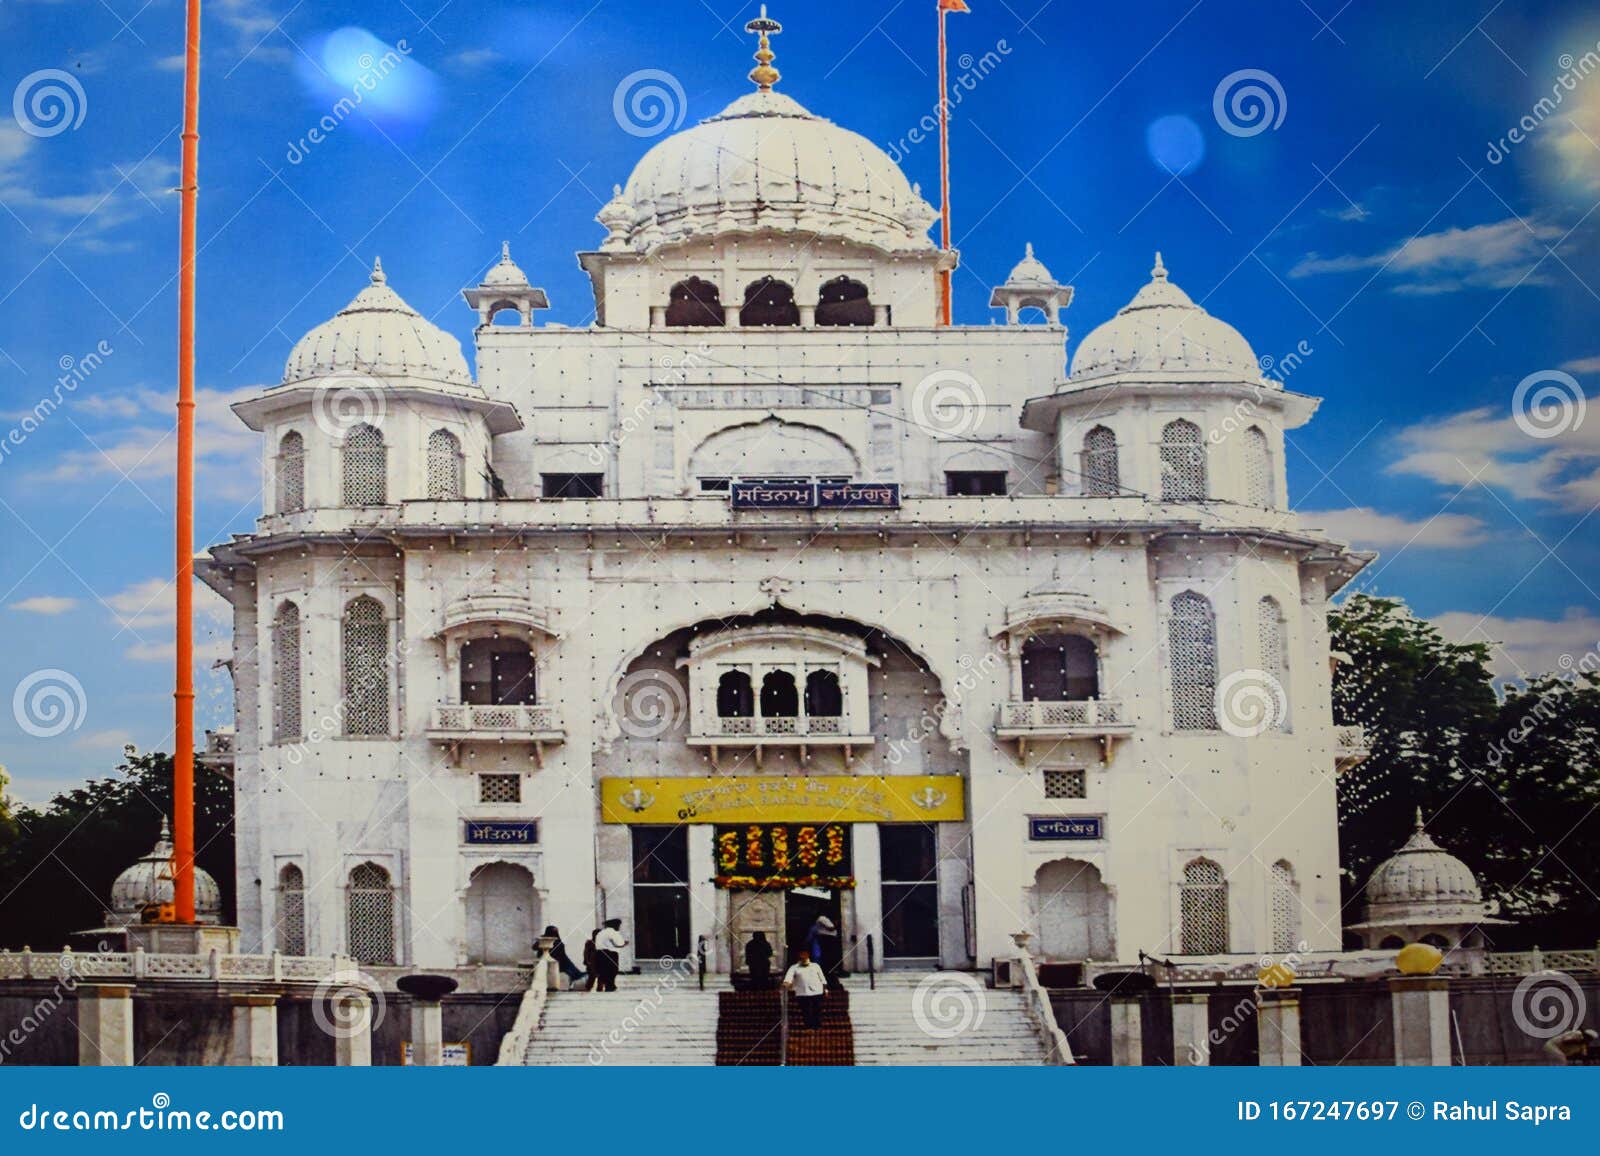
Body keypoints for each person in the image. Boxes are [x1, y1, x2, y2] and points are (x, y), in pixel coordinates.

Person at [782, 948, 826, 1030]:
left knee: (817, 1009)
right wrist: (787, 983)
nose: (803, 957)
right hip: (802, 992)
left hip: (817, 991)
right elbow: (788, 978)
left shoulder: (815, 966)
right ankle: (808, 1026)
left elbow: (822, 979)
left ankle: (817, 1025)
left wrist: (825, 989)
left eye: (805, 955)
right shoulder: (794, 968)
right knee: (806, 1010)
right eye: (801, 956)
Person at [807, 915, 843, 991]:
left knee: (828, 964)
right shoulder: (822, 919)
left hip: (825, 947)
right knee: (824, 963)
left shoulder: (821, 929)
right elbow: (831, 927)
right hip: (823, 946)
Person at [593, 918, 627, 992]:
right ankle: (610, 986)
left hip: (599, 953)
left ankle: (601, 986)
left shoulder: (601, 933)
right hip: (611, 953)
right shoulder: (613, 932)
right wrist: (625, 943)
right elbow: (619, 943)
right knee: (612, 970)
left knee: (602, 970)